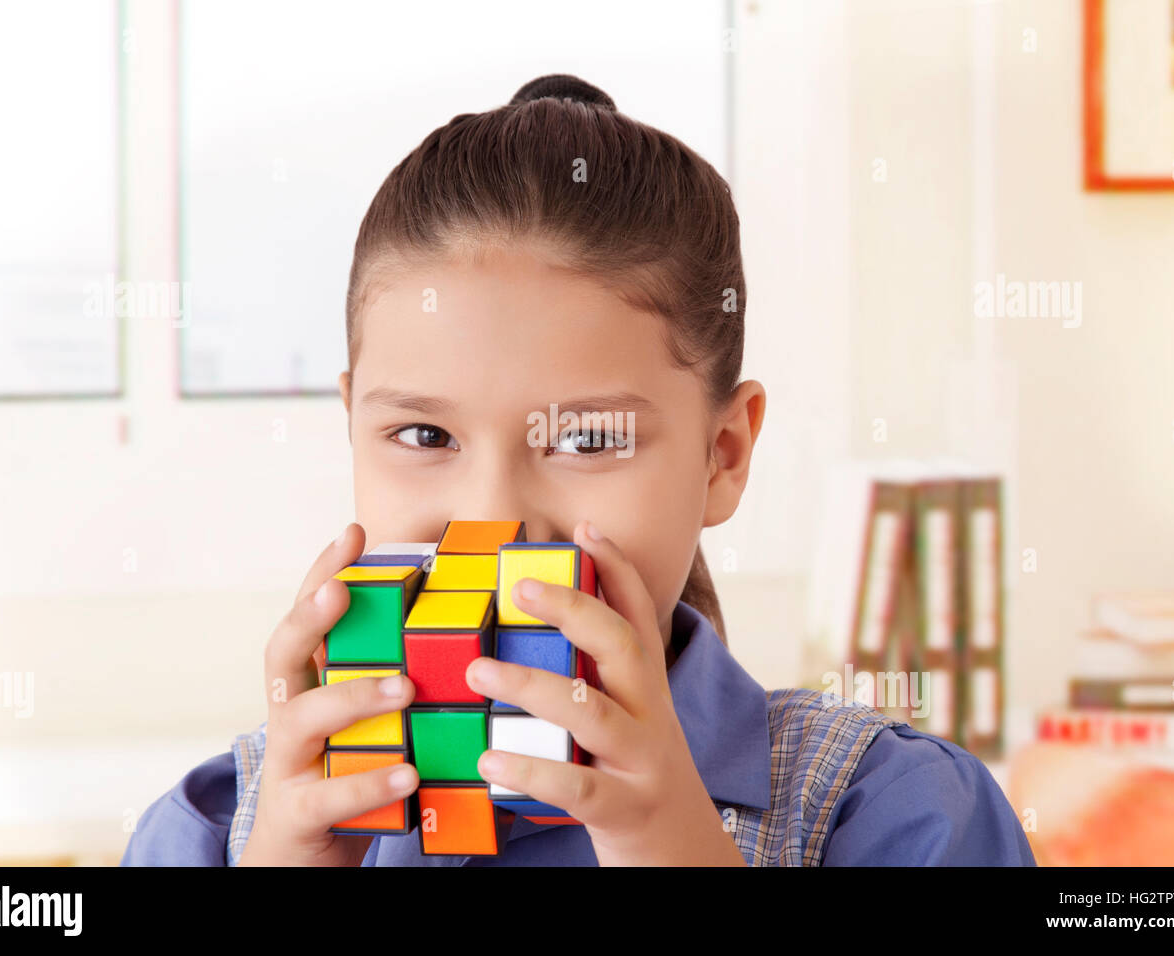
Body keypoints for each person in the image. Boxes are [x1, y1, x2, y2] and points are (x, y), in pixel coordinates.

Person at [121, 73, 1035, 867]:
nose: (495, 524)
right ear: (352, 426)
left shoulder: (904, 818)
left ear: (724, 456)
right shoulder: (208, 833)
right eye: (425, 437)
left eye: (589, 440)